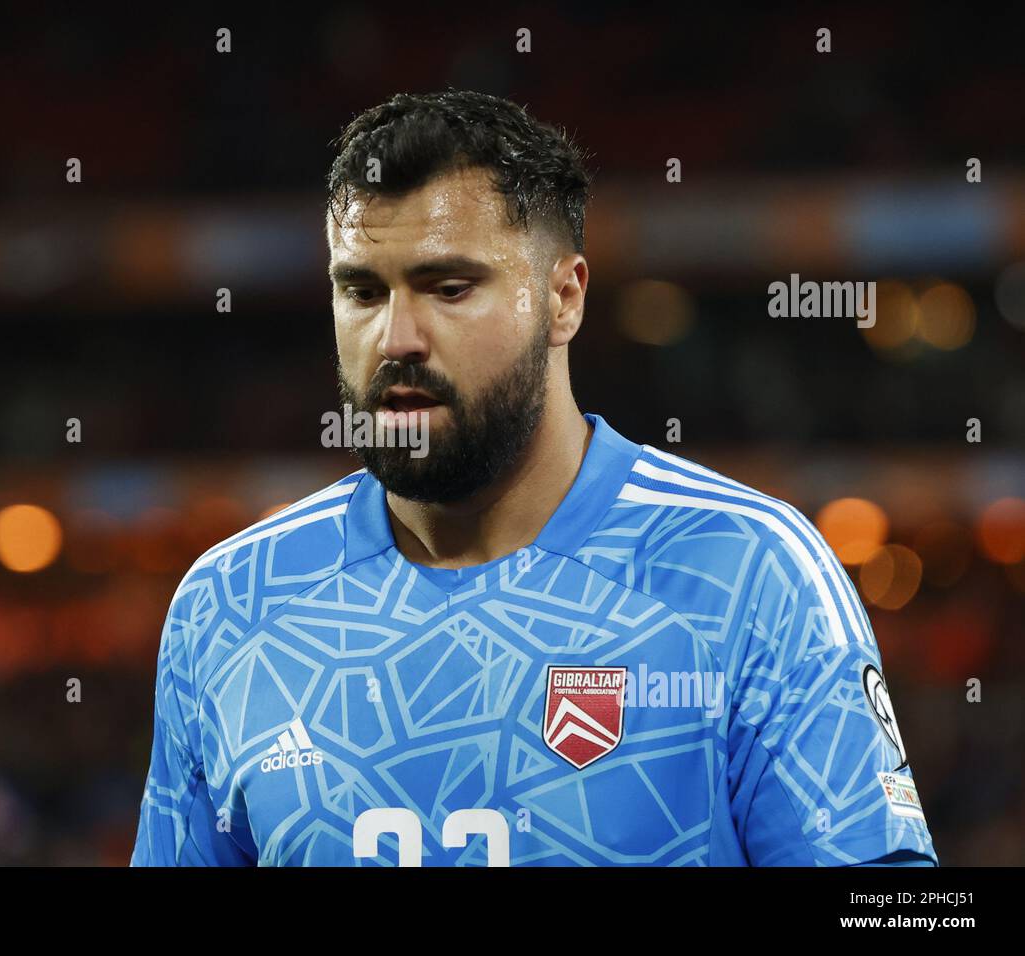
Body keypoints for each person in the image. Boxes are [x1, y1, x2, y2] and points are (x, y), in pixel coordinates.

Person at [131, 90, 936, 866]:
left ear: (564, 299)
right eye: (363, 291)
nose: (397, 336)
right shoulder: (232, 605)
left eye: (449, 288)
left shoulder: (749, 573)